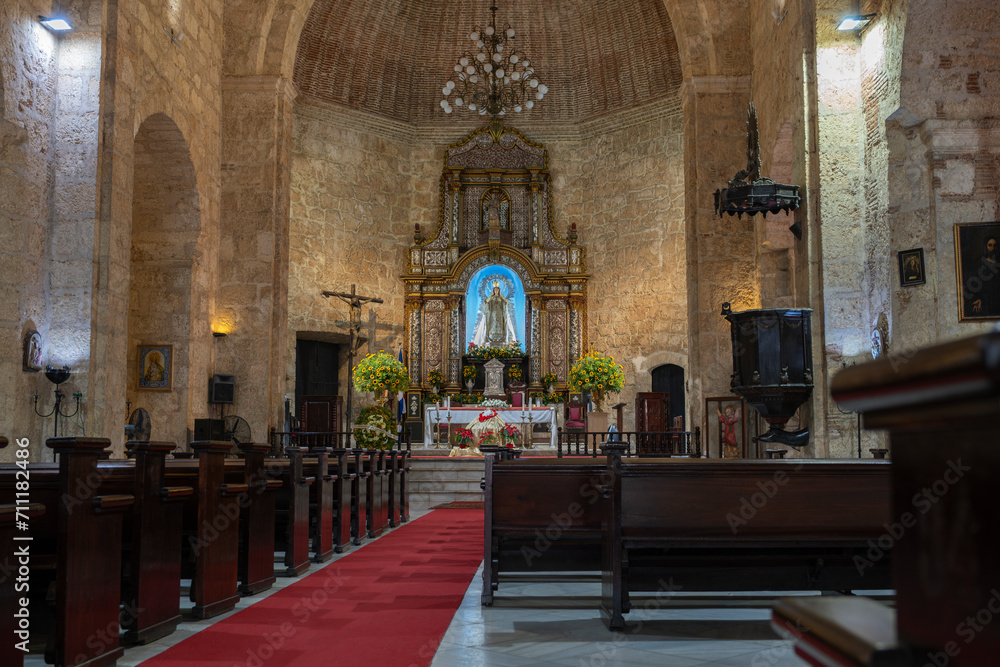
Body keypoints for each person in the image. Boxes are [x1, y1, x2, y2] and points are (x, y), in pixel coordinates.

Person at [471, 280, 518, 347]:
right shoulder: (491, 298)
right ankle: (491, 337)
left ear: (499, 291)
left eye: (497, 290)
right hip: (493, 314)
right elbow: (488, 307)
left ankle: (501, 337)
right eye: (495, 290)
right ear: (493, 291)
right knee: (492, 324)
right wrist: (486, 304)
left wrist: (505, 304)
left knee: (500, 325)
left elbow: (505, 306)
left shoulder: (501, 298)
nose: (496, 291)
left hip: (500, 314)